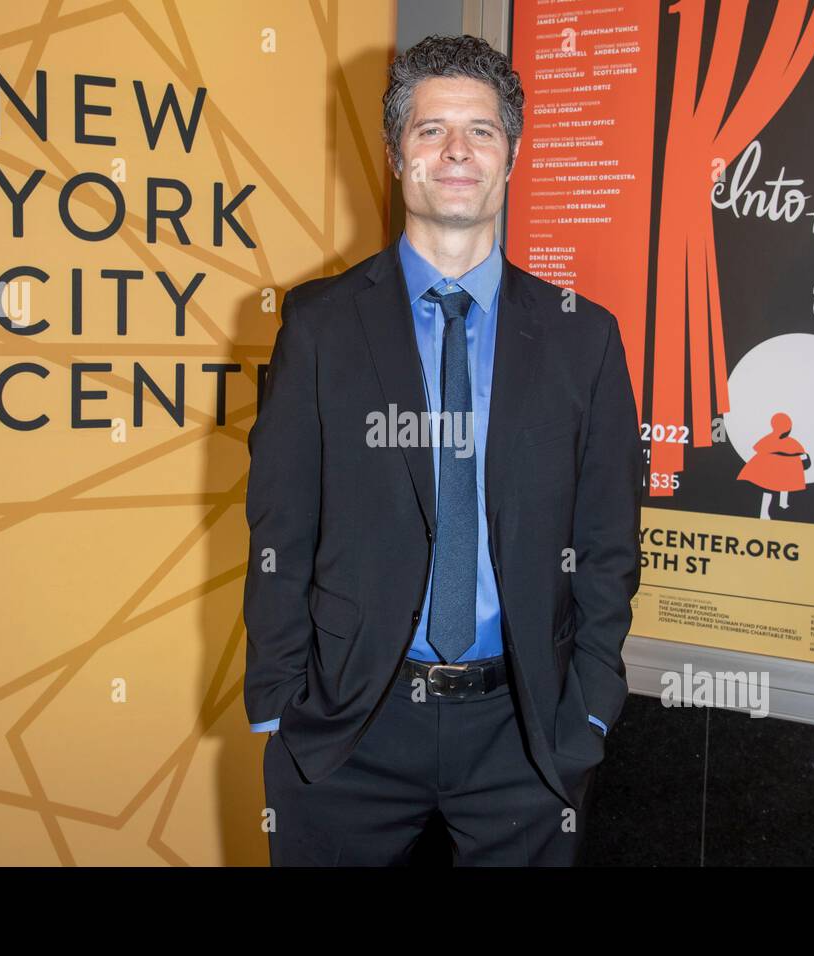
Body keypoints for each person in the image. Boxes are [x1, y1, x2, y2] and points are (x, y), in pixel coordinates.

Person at [243, 33, 641, 866]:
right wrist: (279, 706)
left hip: (528, 731)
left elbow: (608, 542)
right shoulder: (319, 327)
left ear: (512, 155)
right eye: (431, 130)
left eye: (482, 130)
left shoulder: (585, 337)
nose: (457, 149)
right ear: (396, 155)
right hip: (348, 729)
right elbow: (280, 527)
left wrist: (591, 706)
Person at [737, 412, 810, 519]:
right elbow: (802, 456)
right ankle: (766, 512)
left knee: (776, 488)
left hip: (781, 475)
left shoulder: (775, 440)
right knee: (770, 490)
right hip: (773, 475)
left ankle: (777, 506)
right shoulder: (789, 442)